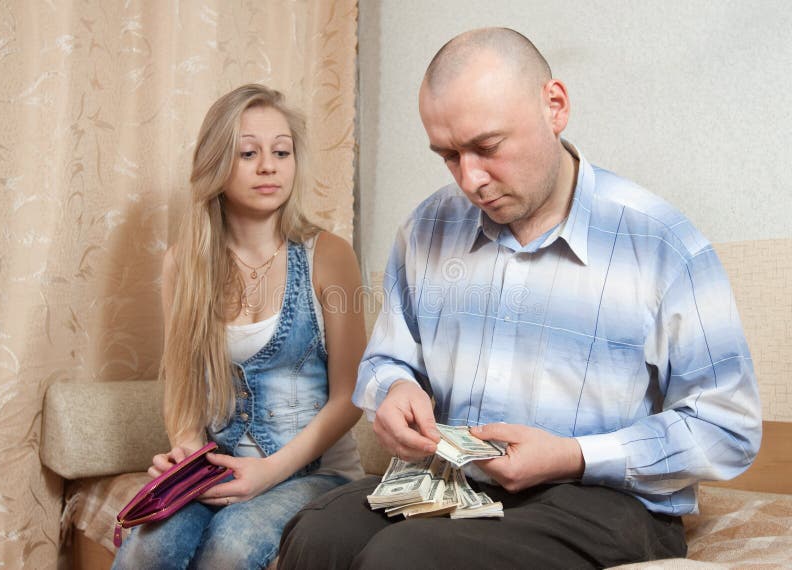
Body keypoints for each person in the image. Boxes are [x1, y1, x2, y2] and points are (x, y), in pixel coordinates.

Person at [278, 28, 762, 569]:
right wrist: (392, 390)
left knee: (405, 559)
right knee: (315, 535)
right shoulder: (426, 229)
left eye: (487, 148)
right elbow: (388, 360)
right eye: (449, 156)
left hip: (602, 502)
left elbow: (727, 427)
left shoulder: (661, 243)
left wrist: (574, 455)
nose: (471, 179)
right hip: (458, 484)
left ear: (554, 106)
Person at [113, 84, 366, 569]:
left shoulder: (328, 256)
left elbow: (350, 395)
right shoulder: (185, 264)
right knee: (148, 546)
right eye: (248, 152)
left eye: (281, 151)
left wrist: (269, 472)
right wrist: (184, 450)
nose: (269, 166)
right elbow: (185, 389)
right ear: (216, 164)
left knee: (232, 544)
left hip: (314, 474)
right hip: (219, 466)